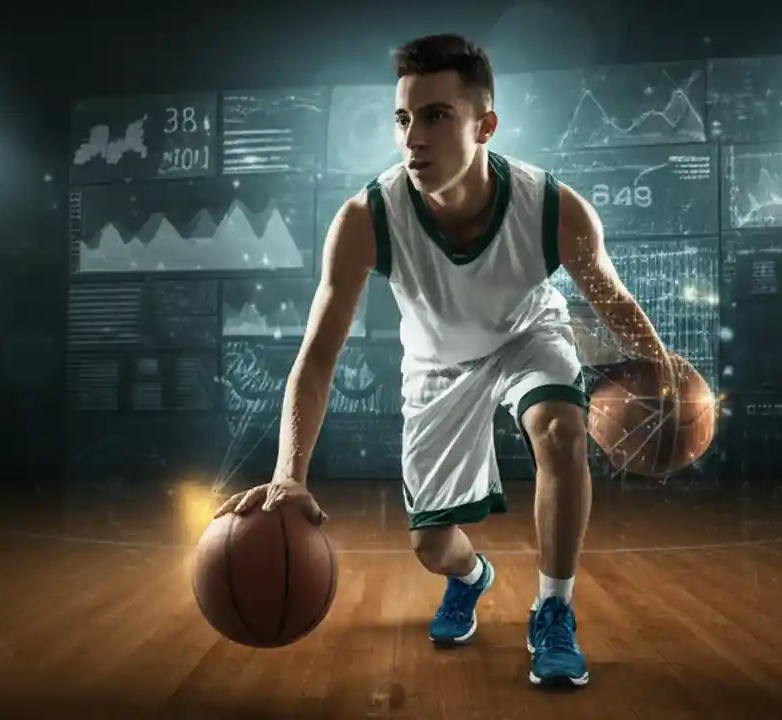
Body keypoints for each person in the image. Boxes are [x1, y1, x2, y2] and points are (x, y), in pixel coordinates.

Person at [214, 33, 673, 688]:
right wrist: (290, 473)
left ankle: (554, 610)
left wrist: (662, 373)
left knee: (561, 430)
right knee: (430, 546)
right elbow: (316, 357)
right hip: (437, 364)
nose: (413, 138)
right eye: (404, 118)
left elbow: (613, 300)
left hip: (526, 336)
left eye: (435, 116)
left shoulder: (552, 207)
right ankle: (470, 577)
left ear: (485, 125)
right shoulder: (367, 219)